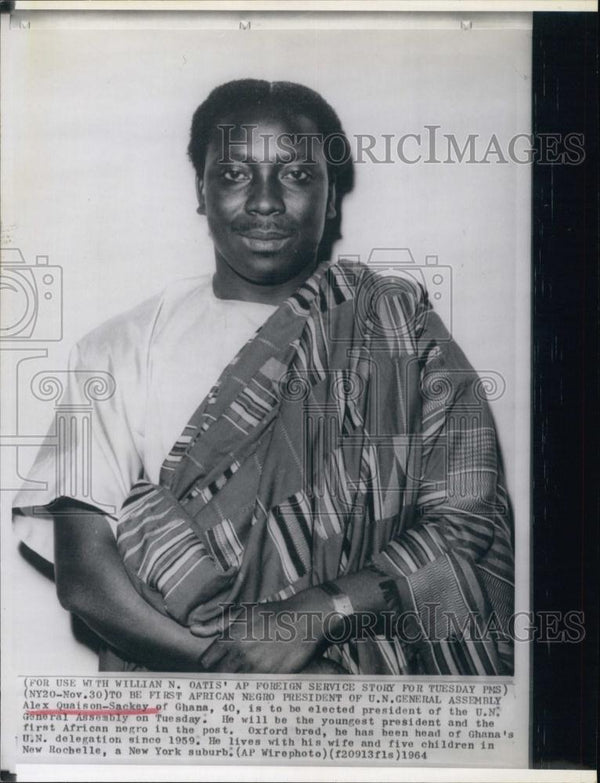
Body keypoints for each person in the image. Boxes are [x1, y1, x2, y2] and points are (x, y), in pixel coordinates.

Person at [13, 79, 514, 675]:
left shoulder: (403, 332)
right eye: (234, 174)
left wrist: (322, 610)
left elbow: (465, 527)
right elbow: (86, 576)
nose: (266, 200)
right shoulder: (113, 350)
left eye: (298, 175)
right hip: (180, 713)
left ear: (332, 198)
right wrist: (245, 674)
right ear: (200, 191)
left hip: (377, 713)